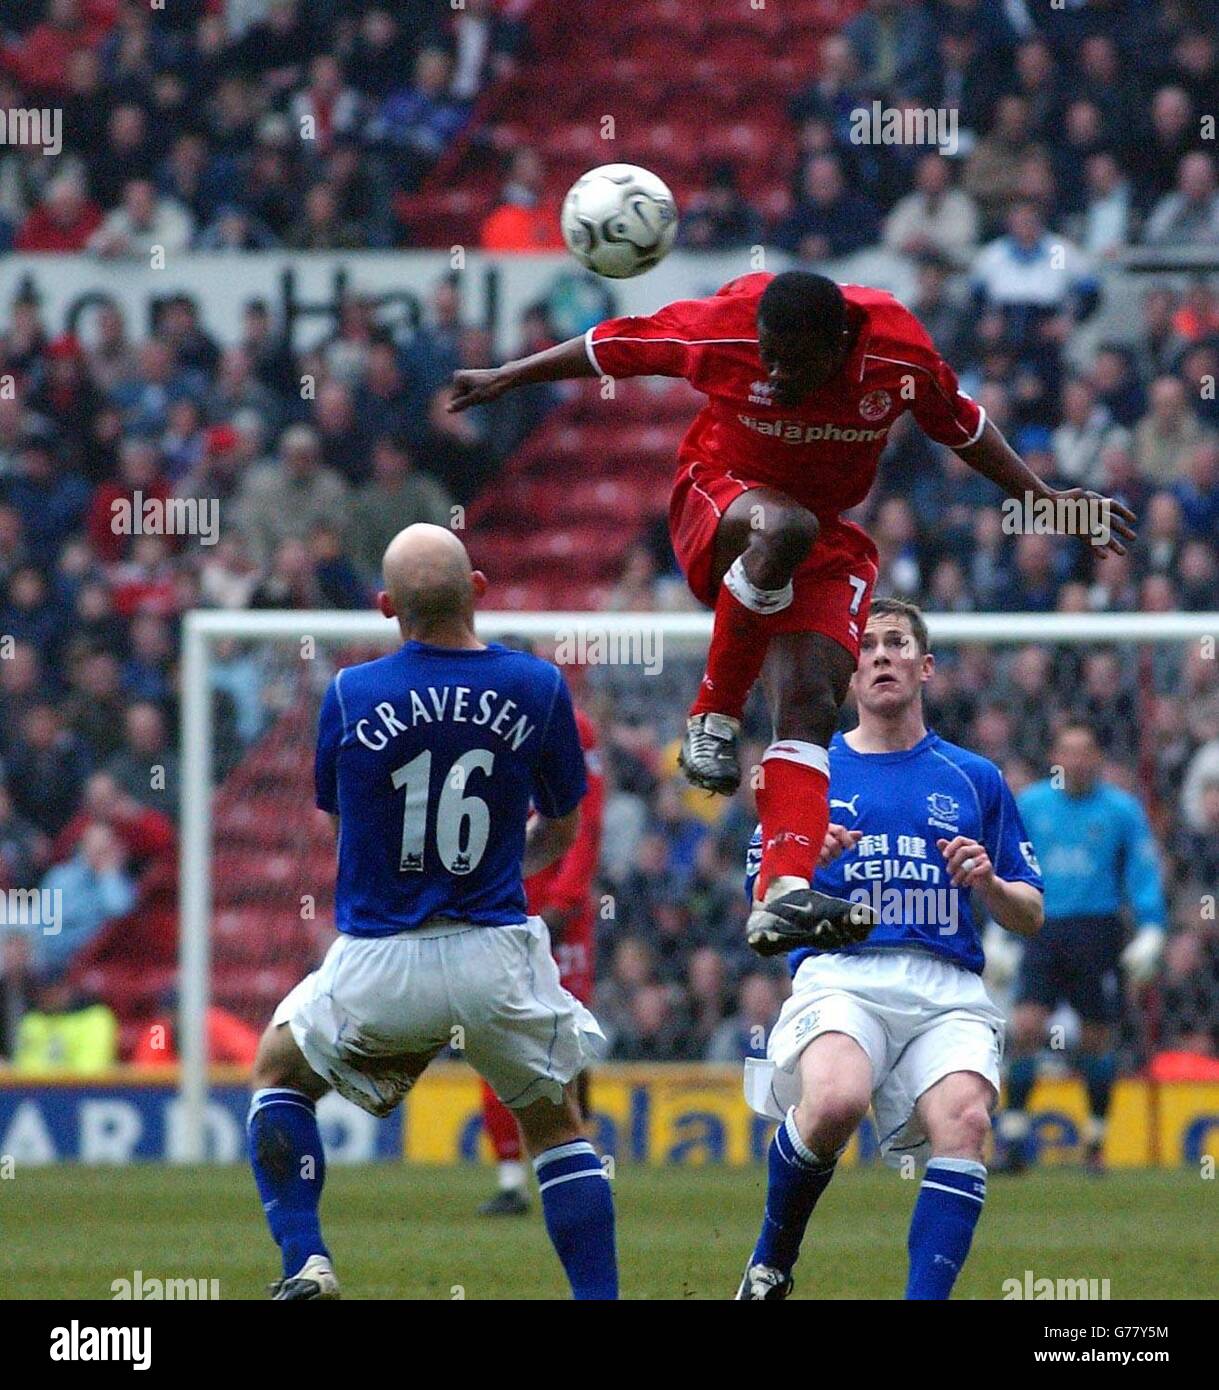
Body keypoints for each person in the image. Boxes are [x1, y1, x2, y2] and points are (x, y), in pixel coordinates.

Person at [447, 270, 1131, 959]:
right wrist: (511, 373)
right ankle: (711, 716)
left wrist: (1044, 500)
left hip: (823, 535)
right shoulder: (726, 327)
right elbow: (618, 344)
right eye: (766, 354)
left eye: (789, 358)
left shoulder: (898, 353)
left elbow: (963, 427)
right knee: (786, 527)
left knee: (808, 702)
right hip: (721, 499)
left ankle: (782, 890)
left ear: (835, 343)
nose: (772, 371)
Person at [247, 524, 616, 1300]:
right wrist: (491, 867)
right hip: (492, 950)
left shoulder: (351, 693)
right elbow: (562, 827)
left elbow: (344, 826)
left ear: (385, 607)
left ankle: (306, 1261)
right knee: (553, 1124)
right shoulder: (538, 686)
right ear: (477, 588)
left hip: (381, 955)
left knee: (279, 1073)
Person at [738, 599, 1044, 1300]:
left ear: (924, 666)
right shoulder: (807, 775)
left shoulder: (974, 778)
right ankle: (769, 1264)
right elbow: (761, 909)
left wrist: (989, 882)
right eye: (867, 645)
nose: (880, 654)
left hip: (947, 987)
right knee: (836, 1100)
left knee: (964, 1124)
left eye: (896, 643)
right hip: (844, 973)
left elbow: (1029, 912)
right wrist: (804, 860)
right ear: (848, 674)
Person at [996, 722, 1167, 1174]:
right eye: (1067, 751)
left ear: (1098, 758)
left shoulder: (1120, 810)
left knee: (1095, 1038)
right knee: (1028, 1025)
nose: (1076, 760)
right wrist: (998, 930)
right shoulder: (1032, 804)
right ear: (1055, 757)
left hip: (1098, 930)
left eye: (1085, 751)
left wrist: (1151, 927)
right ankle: (1013, 1141)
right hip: (1042, 928)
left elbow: (1143, 871)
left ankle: (1095, 1143)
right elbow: (1006, 864)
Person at [478, 663, 604, 1216]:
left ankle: (581, 1159)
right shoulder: (480, 726)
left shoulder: (575, 729)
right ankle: (510, 1181)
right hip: (499, 912)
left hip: (560, 917)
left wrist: (565, 900)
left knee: (566, 1041)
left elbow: (587, 823)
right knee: (489, 1037)